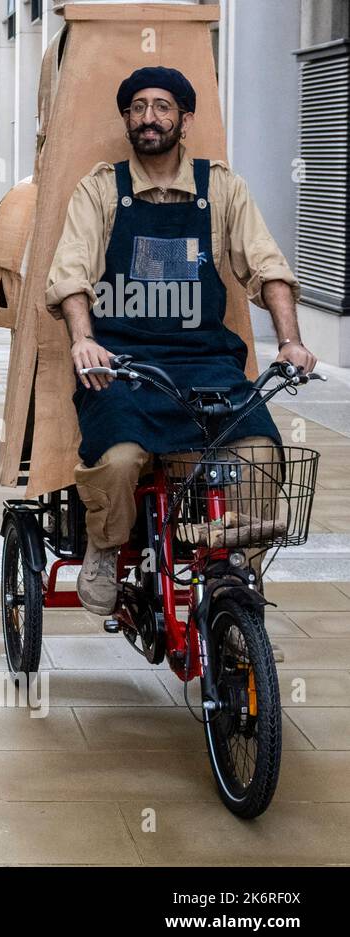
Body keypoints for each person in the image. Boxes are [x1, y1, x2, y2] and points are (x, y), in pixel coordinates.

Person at [46, 66, 315, 615]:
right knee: (119, 460)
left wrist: (291, 341)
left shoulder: (221, 188)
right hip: (122, 367)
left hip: (208, 364)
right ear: (127, 118)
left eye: (162, 106)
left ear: (184, 118)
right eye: (138, 107)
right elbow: (69, 275)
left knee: (258, 455)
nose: (150, 117)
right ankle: (105, 544)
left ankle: (237, 594)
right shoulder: (101, 190)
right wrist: (83, 340)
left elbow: (269, 269)